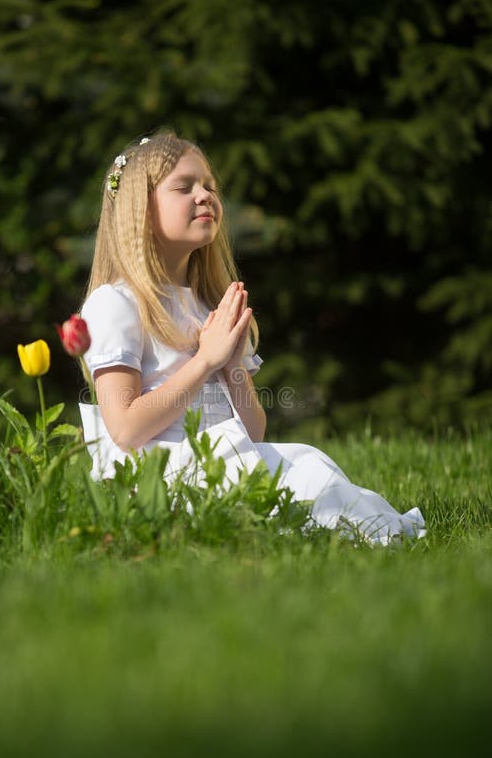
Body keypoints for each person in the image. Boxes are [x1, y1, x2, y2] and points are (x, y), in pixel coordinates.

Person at [79, 131, 425, 545]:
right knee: (305, 490)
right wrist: (205, 360)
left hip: (220, 459)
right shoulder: (117, 303)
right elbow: (125, 429)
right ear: (140, 209)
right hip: (161, 476)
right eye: (184, 187)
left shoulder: (208, 305)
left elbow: (252, 430)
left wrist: (230, 365)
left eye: (209, 186)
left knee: (309, 466)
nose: (205, 196)